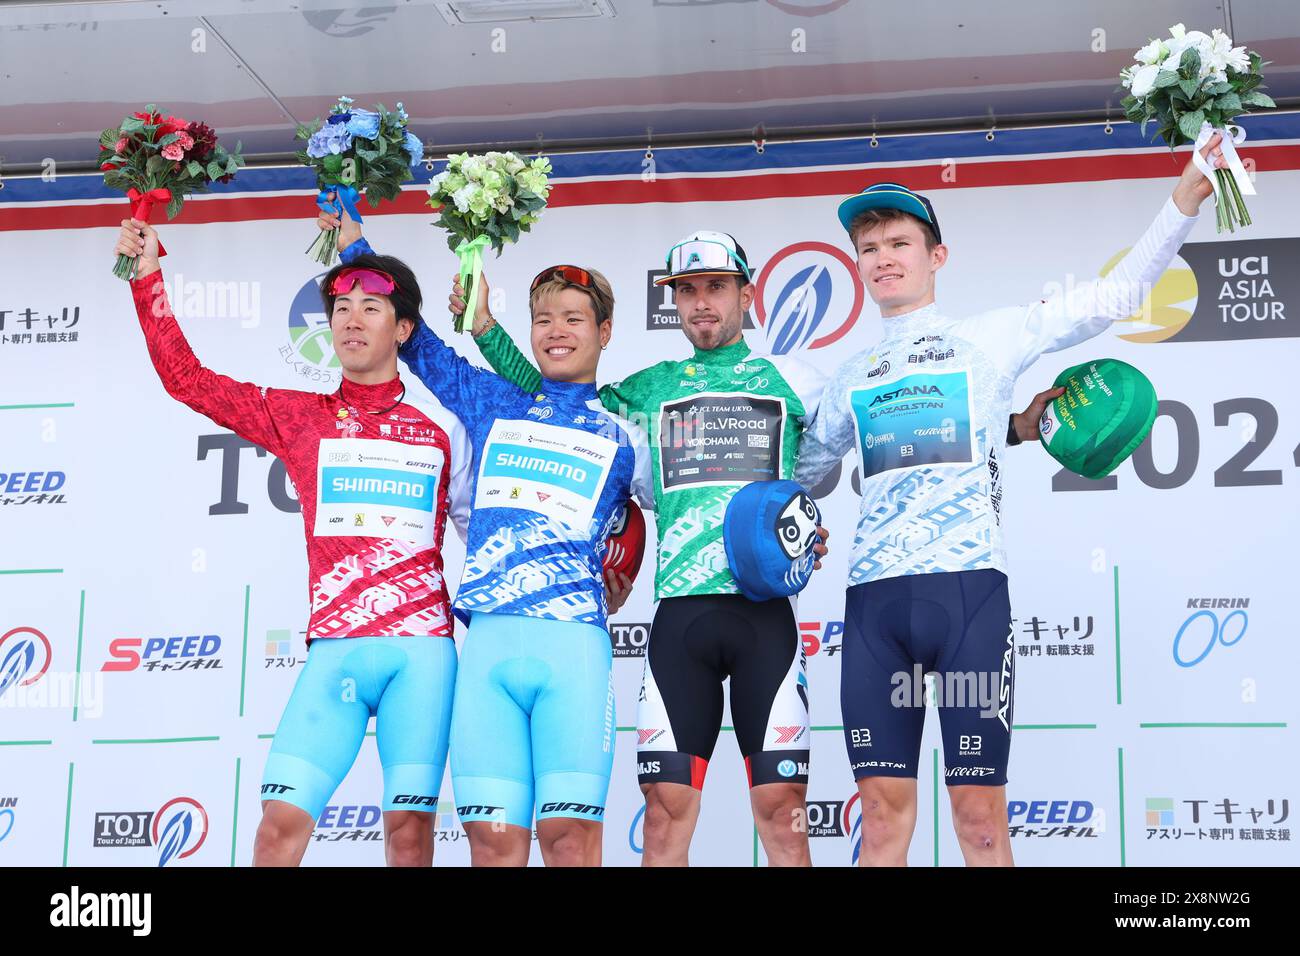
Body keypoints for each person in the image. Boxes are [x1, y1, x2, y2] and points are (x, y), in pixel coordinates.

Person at [794, 135, 1231, 866]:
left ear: (937, 256)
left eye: (899, 241)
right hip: (874, 608)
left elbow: (1115, 298)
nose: (882, 258)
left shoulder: (990, 338)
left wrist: (1184, 197)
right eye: (868, 247)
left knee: (981, 825)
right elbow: (803, 475)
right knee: (881, 820)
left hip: (967, 599)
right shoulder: (847, 375)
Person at [116, 218, 471, 867]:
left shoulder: (444, 428)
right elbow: (187, 380)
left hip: (421, 654)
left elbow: (479, 536)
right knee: (279, 827)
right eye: (339, 307)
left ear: (404, 330)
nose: (351, 320)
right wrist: (146, 280)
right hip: (333, 651)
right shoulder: (298, 415)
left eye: (371, 307)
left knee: (410, 836)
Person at [472, 231, 830, 866]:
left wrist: (807, 532)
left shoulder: (797, 379)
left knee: (783, 813)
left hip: (765, 619)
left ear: (746, 294)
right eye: (687, 291)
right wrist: (486, 331)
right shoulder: (643, 390)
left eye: (716, 287)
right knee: (664, 815)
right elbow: (551, 392)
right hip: (681, 617)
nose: (701, 303)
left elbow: (826, 468)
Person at [329, 210, 654, 866]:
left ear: (606, 331)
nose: (557, 332)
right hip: (490, 650)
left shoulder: (631, 433)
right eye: (544, 319)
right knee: (494, 845)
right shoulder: (494, 402)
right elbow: (420, 349)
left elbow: (684, 515)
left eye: (574, 318)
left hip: (575, 651)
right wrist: (356, 247)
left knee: (570, 844)